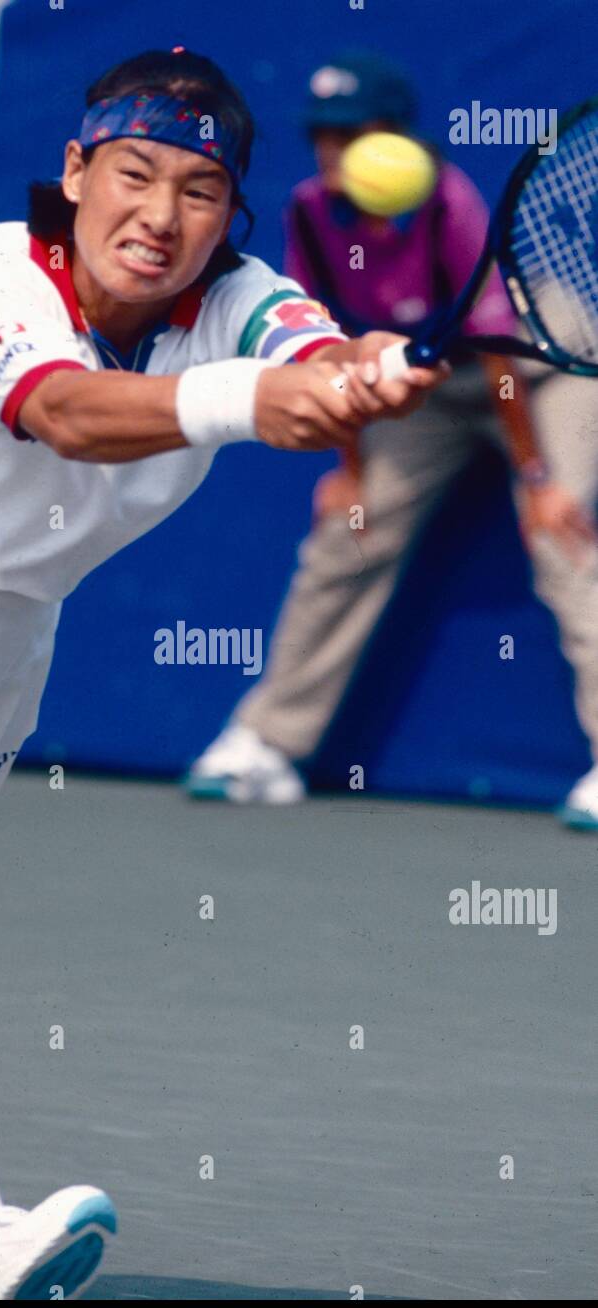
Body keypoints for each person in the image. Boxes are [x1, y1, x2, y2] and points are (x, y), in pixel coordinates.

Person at [0, 47, 446, 1301]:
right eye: (134, 174)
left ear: (231, 217)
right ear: (75, 171)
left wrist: (354, 372)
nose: (160, 217)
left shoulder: (241, 301)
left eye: (200, 193)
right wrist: (248, 398)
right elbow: (67, 411)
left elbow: (300, 349)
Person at [185, 50, 598, 823]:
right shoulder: (311, 211)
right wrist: (353, 467)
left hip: (534, 370)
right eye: (323, 134)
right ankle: (267, 745)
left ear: (395, 137)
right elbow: (327, 344)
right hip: (430, 384)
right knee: (353, 530)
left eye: (354, 133)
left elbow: (497, 350)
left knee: (563, 539)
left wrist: (539, 483)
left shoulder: (445, 201)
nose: (334, 151)